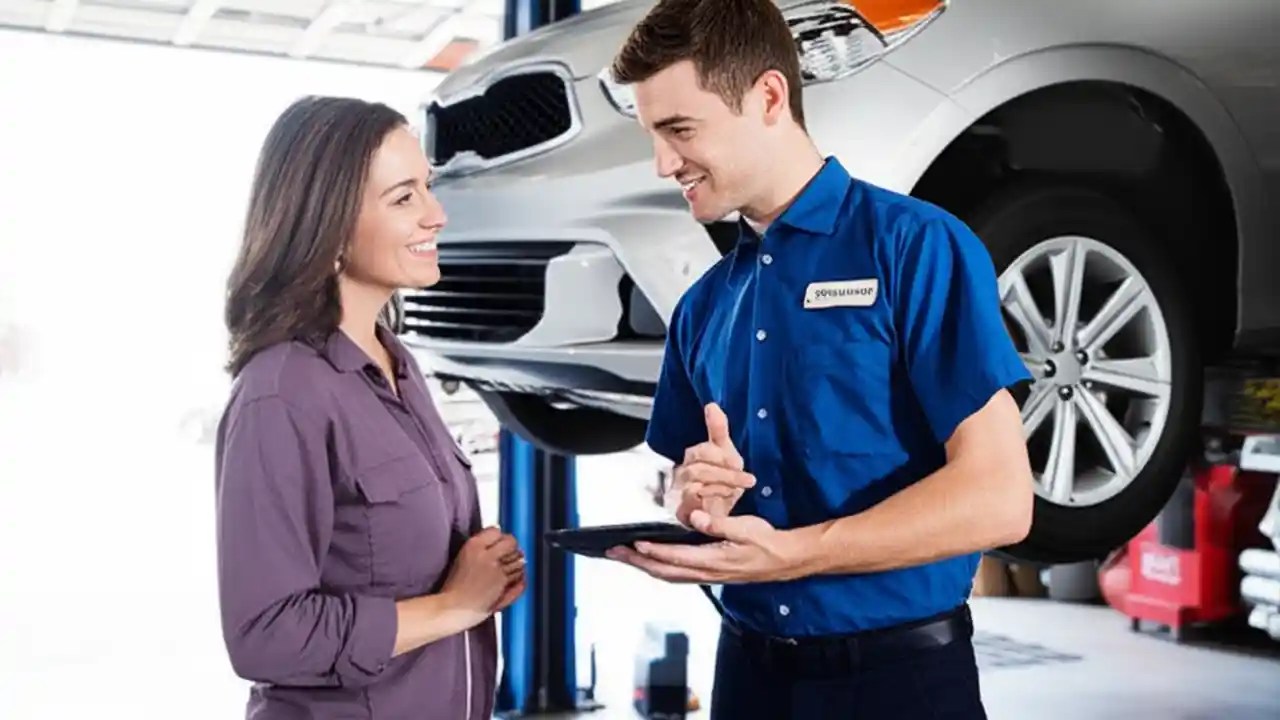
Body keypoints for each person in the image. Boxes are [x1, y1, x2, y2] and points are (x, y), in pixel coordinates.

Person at [602, 1, 1036, 718]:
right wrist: (696, 503)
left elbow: (1000, 499)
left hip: (899, 684)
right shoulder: (704, 307)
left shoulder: (917, 247)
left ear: (769, 97)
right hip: (747, 675)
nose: (662, 163)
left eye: (680, 129)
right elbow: (688, 491)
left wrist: (793, 554)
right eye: (652, 134)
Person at [214, 95, 525, 720]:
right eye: (404, 197)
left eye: (428, 189)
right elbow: (265, 634)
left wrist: (482, 569)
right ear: (327, 224)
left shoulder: (398, 368)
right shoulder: (281, 393)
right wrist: (455, 605)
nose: (436, 215)